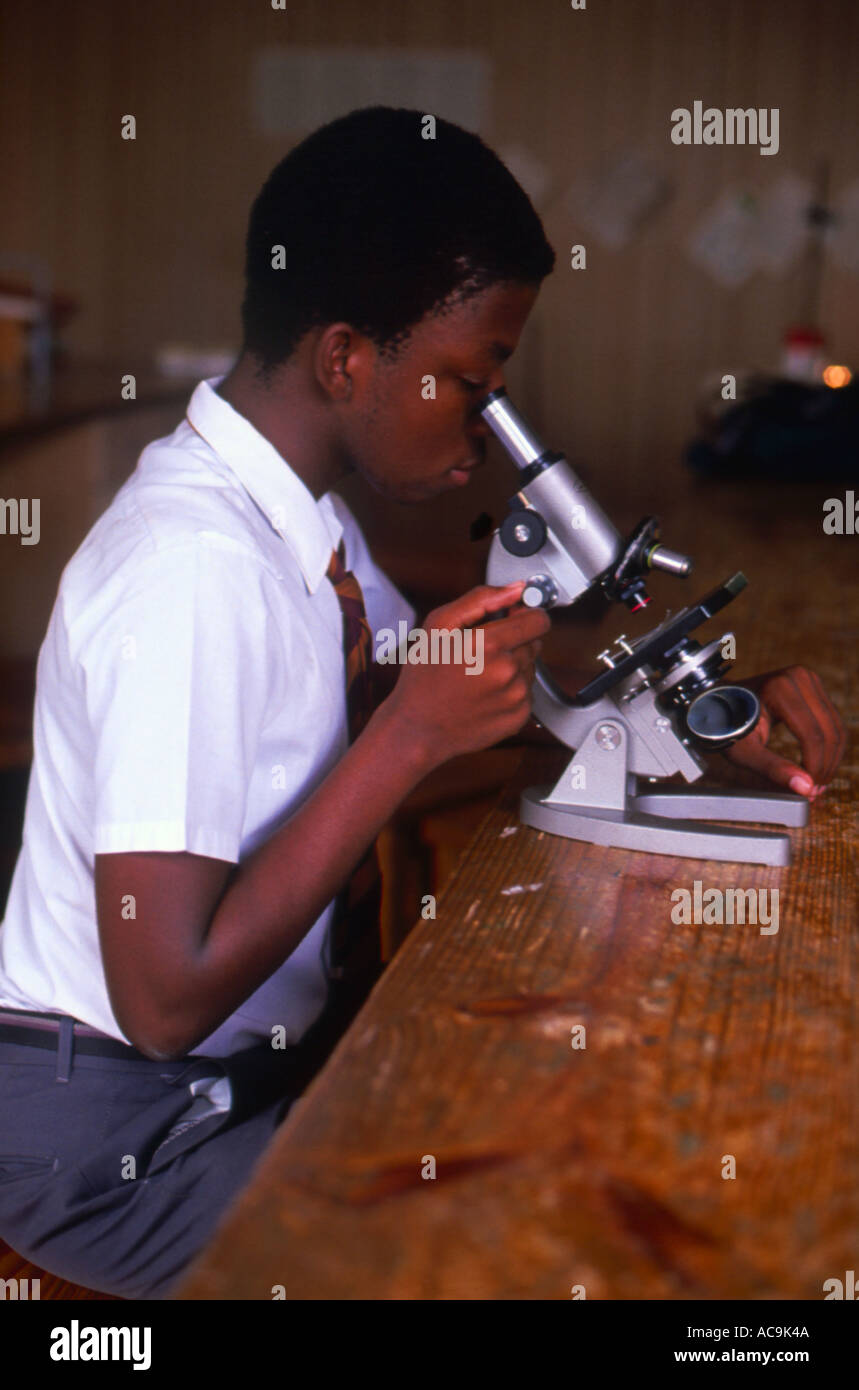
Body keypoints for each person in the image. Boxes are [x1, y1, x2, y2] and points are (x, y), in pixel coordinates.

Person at [0, 107, 846, 1301]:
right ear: (346, 358)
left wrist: (684, 710)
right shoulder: (187, 571)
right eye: (469, 380)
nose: (488, 428)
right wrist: (407, 733)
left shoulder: (307, 521)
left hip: (247, 1077)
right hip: (118, 1140)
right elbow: (162, 1000)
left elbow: (467, 722)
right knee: (517, 1255)